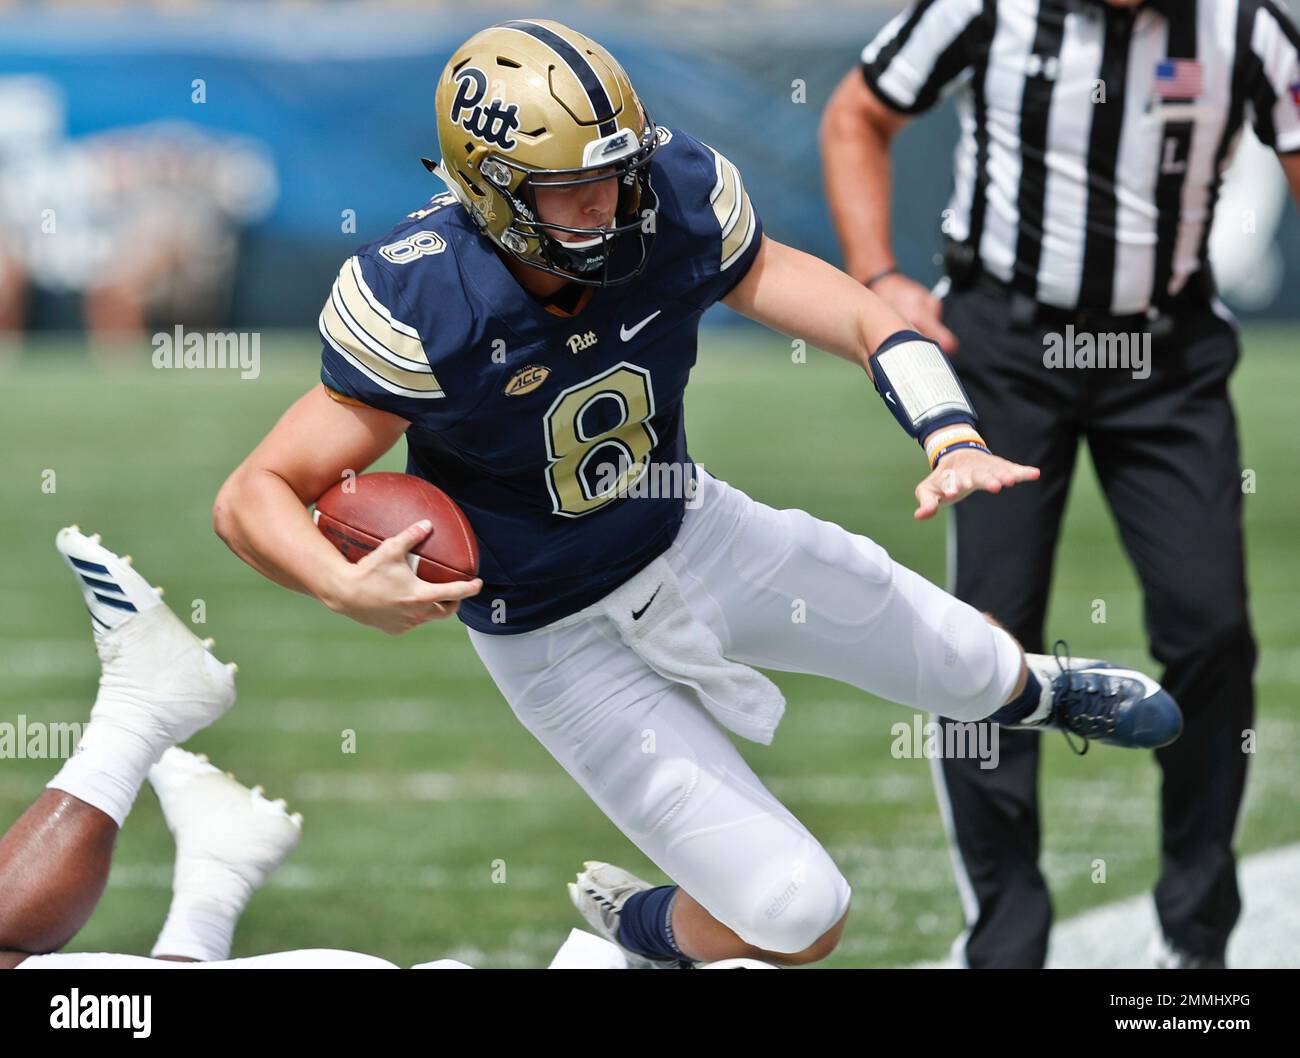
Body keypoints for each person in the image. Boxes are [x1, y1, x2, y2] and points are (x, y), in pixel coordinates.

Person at [215, 19, 1181, 969]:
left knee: (977, 667)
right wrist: (335, 583)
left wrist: (949, 428)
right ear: (493, 193)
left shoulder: (670, 202)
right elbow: (254, 492)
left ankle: (1045, 691)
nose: (609, 204)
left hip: (695, 535)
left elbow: (849, 311)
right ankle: (644, 936)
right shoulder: (427, 299)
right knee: (801, 915)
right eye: (572, 190)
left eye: (617, 172)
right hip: (555, 637)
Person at [820, 0, 1300, 967]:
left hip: (1167, 356)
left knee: (1211, 632)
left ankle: (1197, 940)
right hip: (1004, 348)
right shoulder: (983, 8)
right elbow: (856, 115)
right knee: (985, 642)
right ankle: (1004, 940)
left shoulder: (1241, 23)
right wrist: (880, 274)